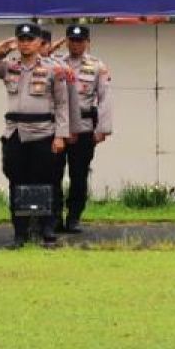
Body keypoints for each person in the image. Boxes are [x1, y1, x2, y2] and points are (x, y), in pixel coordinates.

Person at [0, 23, 70, 248]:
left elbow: (62, 104)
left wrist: (60, 135)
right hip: (15, 133)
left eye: (29, 39)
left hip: (43, 132)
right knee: (16, 182)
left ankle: (47, 230)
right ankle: (20, 233)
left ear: (39, 42)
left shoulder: (54, 69)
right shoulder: (8, 66)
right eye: (21, 39)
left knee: (45, 182)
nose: (25, 44)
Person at [51, 25, 113, 233]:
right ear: (66, 41)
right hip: (58, 128)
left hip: (85, 128)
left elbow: (105, 98)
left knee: (79, 175)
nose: (75, 44)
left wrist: (103, 129)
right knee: (53, 174)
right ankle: (55, 217)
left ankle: (74, 217)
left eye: (80, 41)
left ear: (87, 42)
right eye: (72, 40)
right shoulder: (56, 63)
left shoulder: (97, 66)